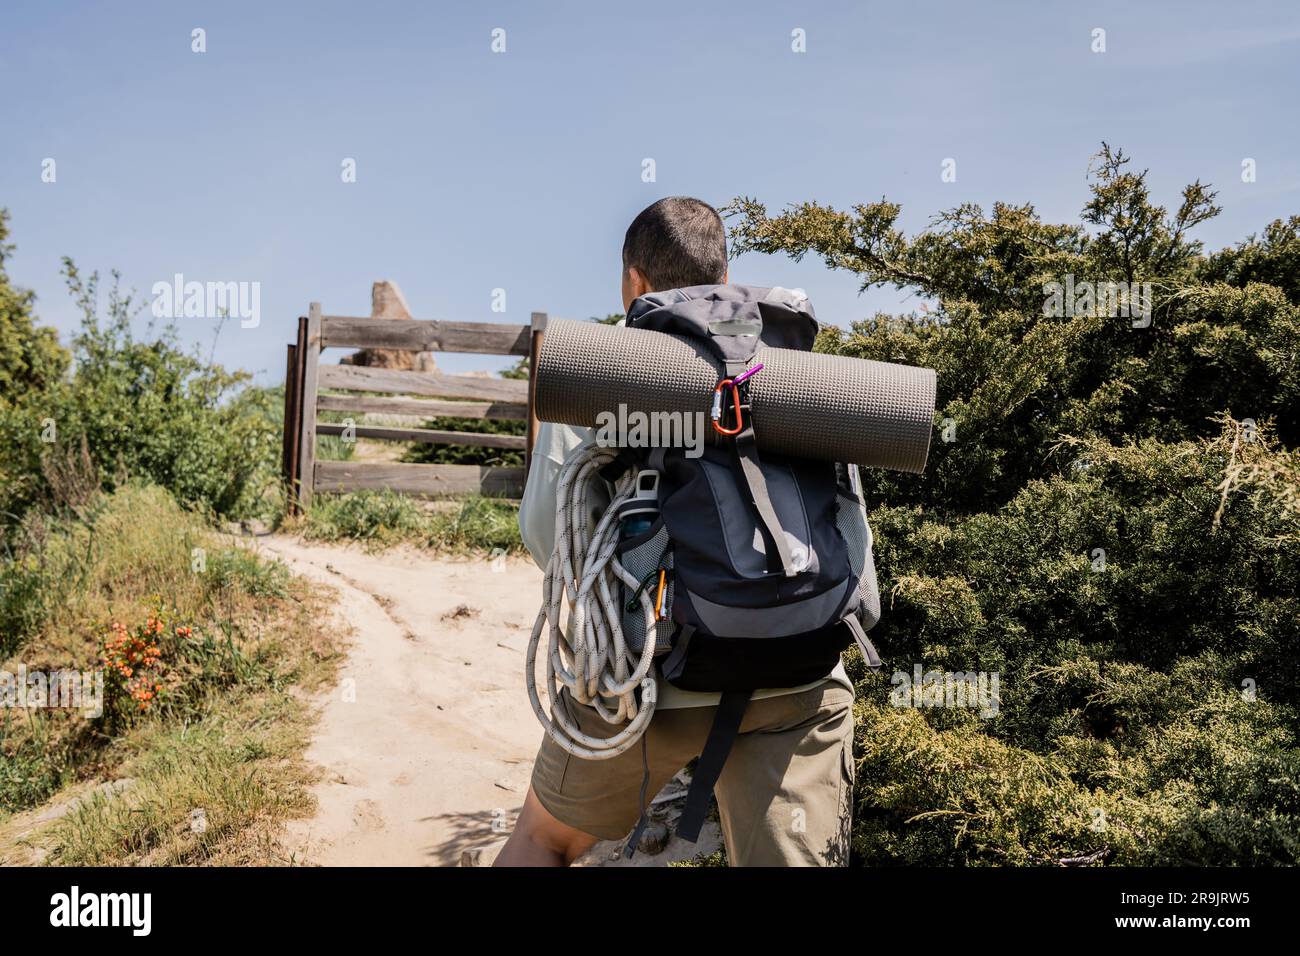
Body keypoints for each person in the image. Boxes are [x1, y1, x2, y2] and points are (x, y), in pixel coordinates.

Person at [495, 197, 856, 867]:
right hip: (798, 674)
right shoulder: (797, 371)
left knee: (544, 842)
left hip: (651, 676)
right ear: (725, 273)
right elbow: (849, 527)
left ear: (633, 281)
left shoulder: (605, 371)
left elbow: (550, 537)